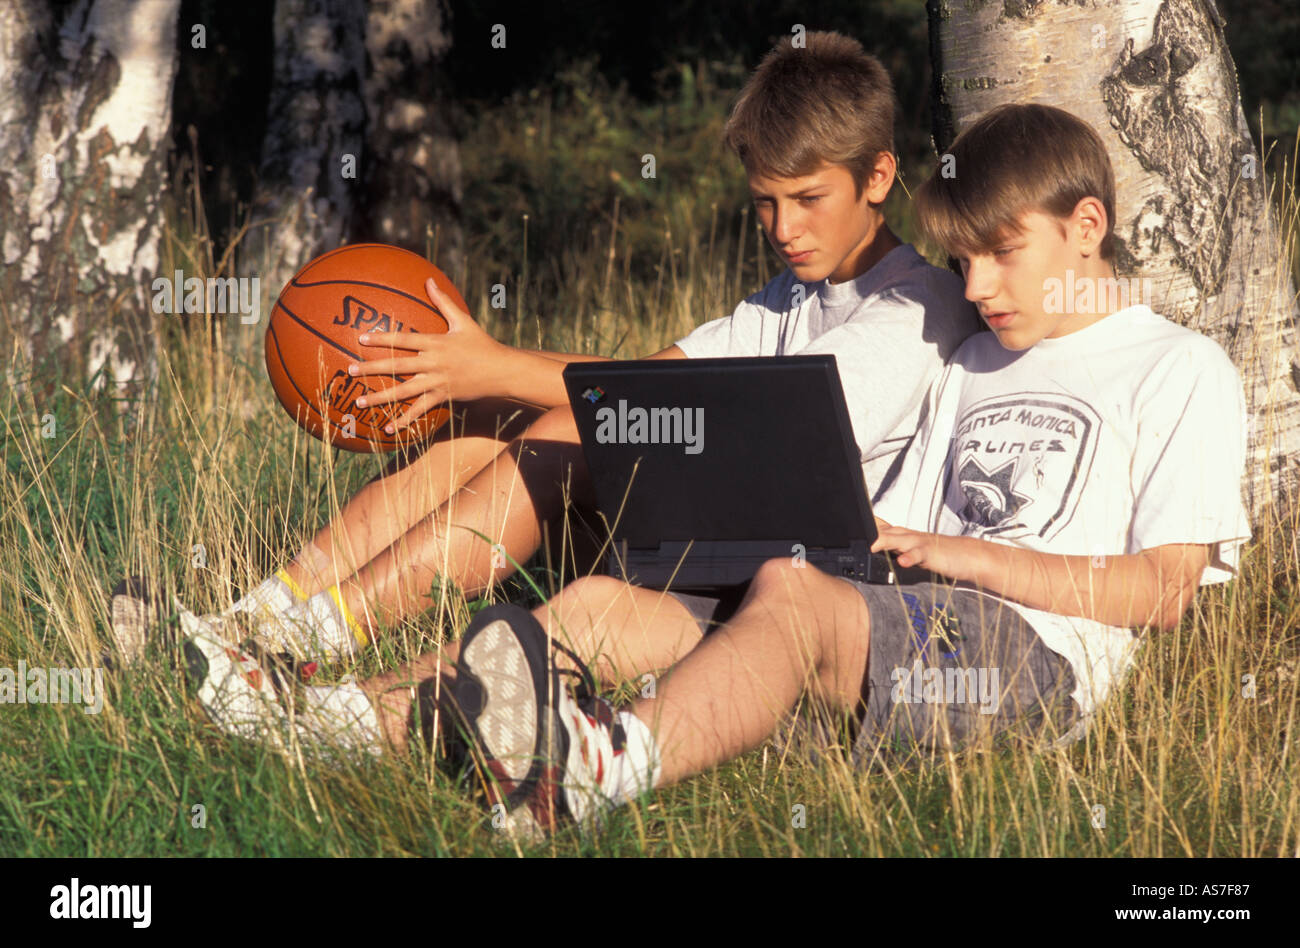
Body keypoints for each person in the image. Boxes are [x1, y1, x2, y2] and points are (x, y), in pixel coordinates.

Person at [275, 100, 1245, 838]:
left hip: (1017, 654)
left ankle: (591, 775)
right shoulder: (969, 343)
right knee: (600, 606)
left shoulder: (1176, 369)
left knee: (786, 589)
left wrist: (958, 557)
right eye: (962, 258)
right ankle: (344, 723)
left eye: (1001, 254)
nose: (977, 286)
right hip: (862, 599)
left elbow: (1160, 593)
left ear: (1085, 226)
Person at [112, 33, 975, 716]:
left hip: (787, 575)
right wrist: (479, 376)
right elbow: (650, 376)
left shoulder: (920, 307)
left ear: (879, 177)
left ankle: (325, 634)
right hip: (700, 534)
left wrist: (490, 362)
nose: (783, 227)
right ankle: (266, 616)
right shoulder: (785, 298)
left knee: (567, 424)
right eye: (764, 201)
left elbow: (724, 424)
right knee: (491, 419)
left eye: (808, 199)